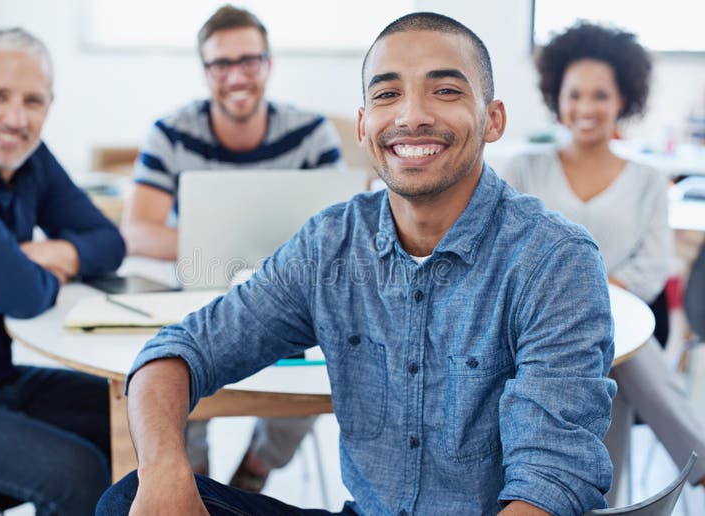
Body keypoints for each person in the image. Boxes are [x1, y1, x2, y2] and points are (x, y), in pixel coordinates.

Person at [98, 12, 616, 515]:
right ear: (365, 126)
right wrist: (164, 468)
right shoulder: (331, 244)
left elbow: (551, 483)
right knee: (129, 498)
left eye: (445, 90)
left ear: (493, 119)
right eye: (387, 94)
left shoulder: (554, 260)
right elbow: (177, 353)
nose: (412, 116)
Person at [120, 5, 342, 492]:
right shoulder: (170, 133)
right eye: (221, 64)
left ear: (269, 64)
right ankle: (194, 480)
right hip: (197, 295)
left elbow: (336, 236)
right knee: (173, 367)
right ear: (204, 71)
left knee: (331, 356)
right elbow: (137, 231)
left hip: (286, 303)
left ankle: (253, 472)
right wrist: (224, 249)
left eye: (249, 60)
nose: (236, 76)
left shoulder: (311, 134)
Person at [501, 22, 705, 504]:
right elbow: (506, 254)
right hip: (536, 325)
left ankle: (595, 504)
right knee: (609, 348)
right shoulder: (525, 168)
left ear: (622, 100)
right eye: (575, 94)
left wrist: (590, 297)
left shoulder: (648, 179)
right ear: (557, 97)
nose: (586, 108)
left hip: (623, 317)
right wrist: (572, 299)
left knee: (604, 341)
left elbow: (653, 265)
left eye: (600, 95)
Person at [0, 27, 126, 514]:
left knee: (144, 413)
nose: (16, 119)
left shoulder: (30, 158)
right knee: (77, 475)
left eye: (33, 101)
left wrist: (41, 253)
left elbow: (110, 243)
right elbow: (20, 294)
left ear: (49, 105)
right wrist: (33, 268)